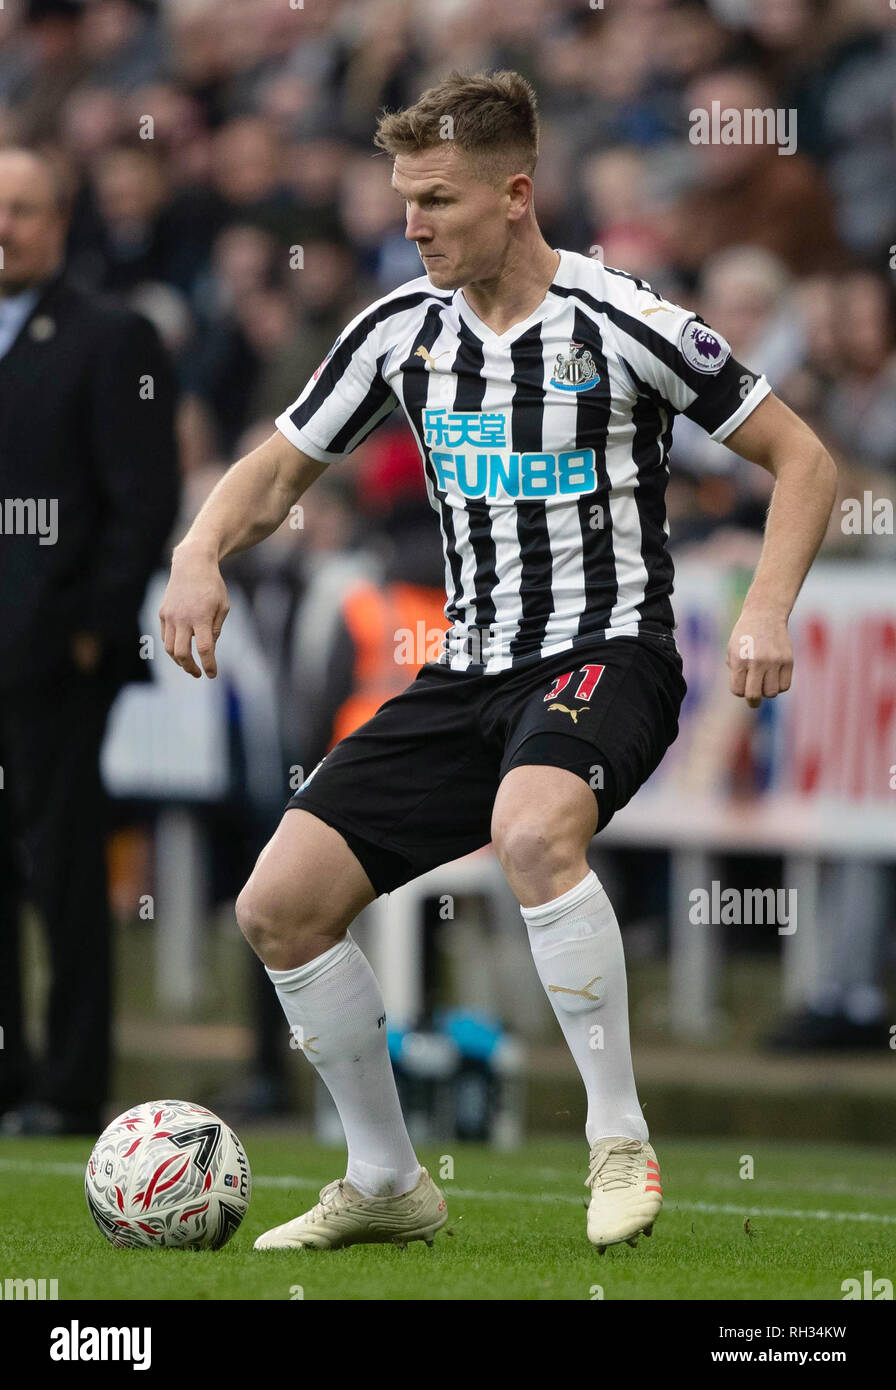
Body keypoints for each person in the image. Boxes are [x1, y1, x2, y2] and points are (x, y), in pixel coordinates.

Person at [159, 71, 837, 1252]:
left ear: (514, 196)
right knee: (278, 906)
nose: (409, 224)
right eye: (401, 200)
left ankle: (618, 1137)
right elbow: (275, 472)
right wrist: (198, 550)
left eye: (436, 200)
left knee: (532, 829)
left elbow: (805, 461)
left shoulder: (628, 321)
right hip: (465, 669)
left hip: (608, 651)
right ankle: (383, 1178)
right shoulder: (396, 329)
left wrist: (764, 608)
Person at [0, 147, 179, 1135]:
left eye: (21, 209)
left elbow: (141, 499)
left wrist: (95, 633)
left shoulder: (112, 336)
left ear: (59, 218)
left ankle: (68, 1087)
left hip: (54, 658)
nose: (3, 228)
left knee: (63, 868)